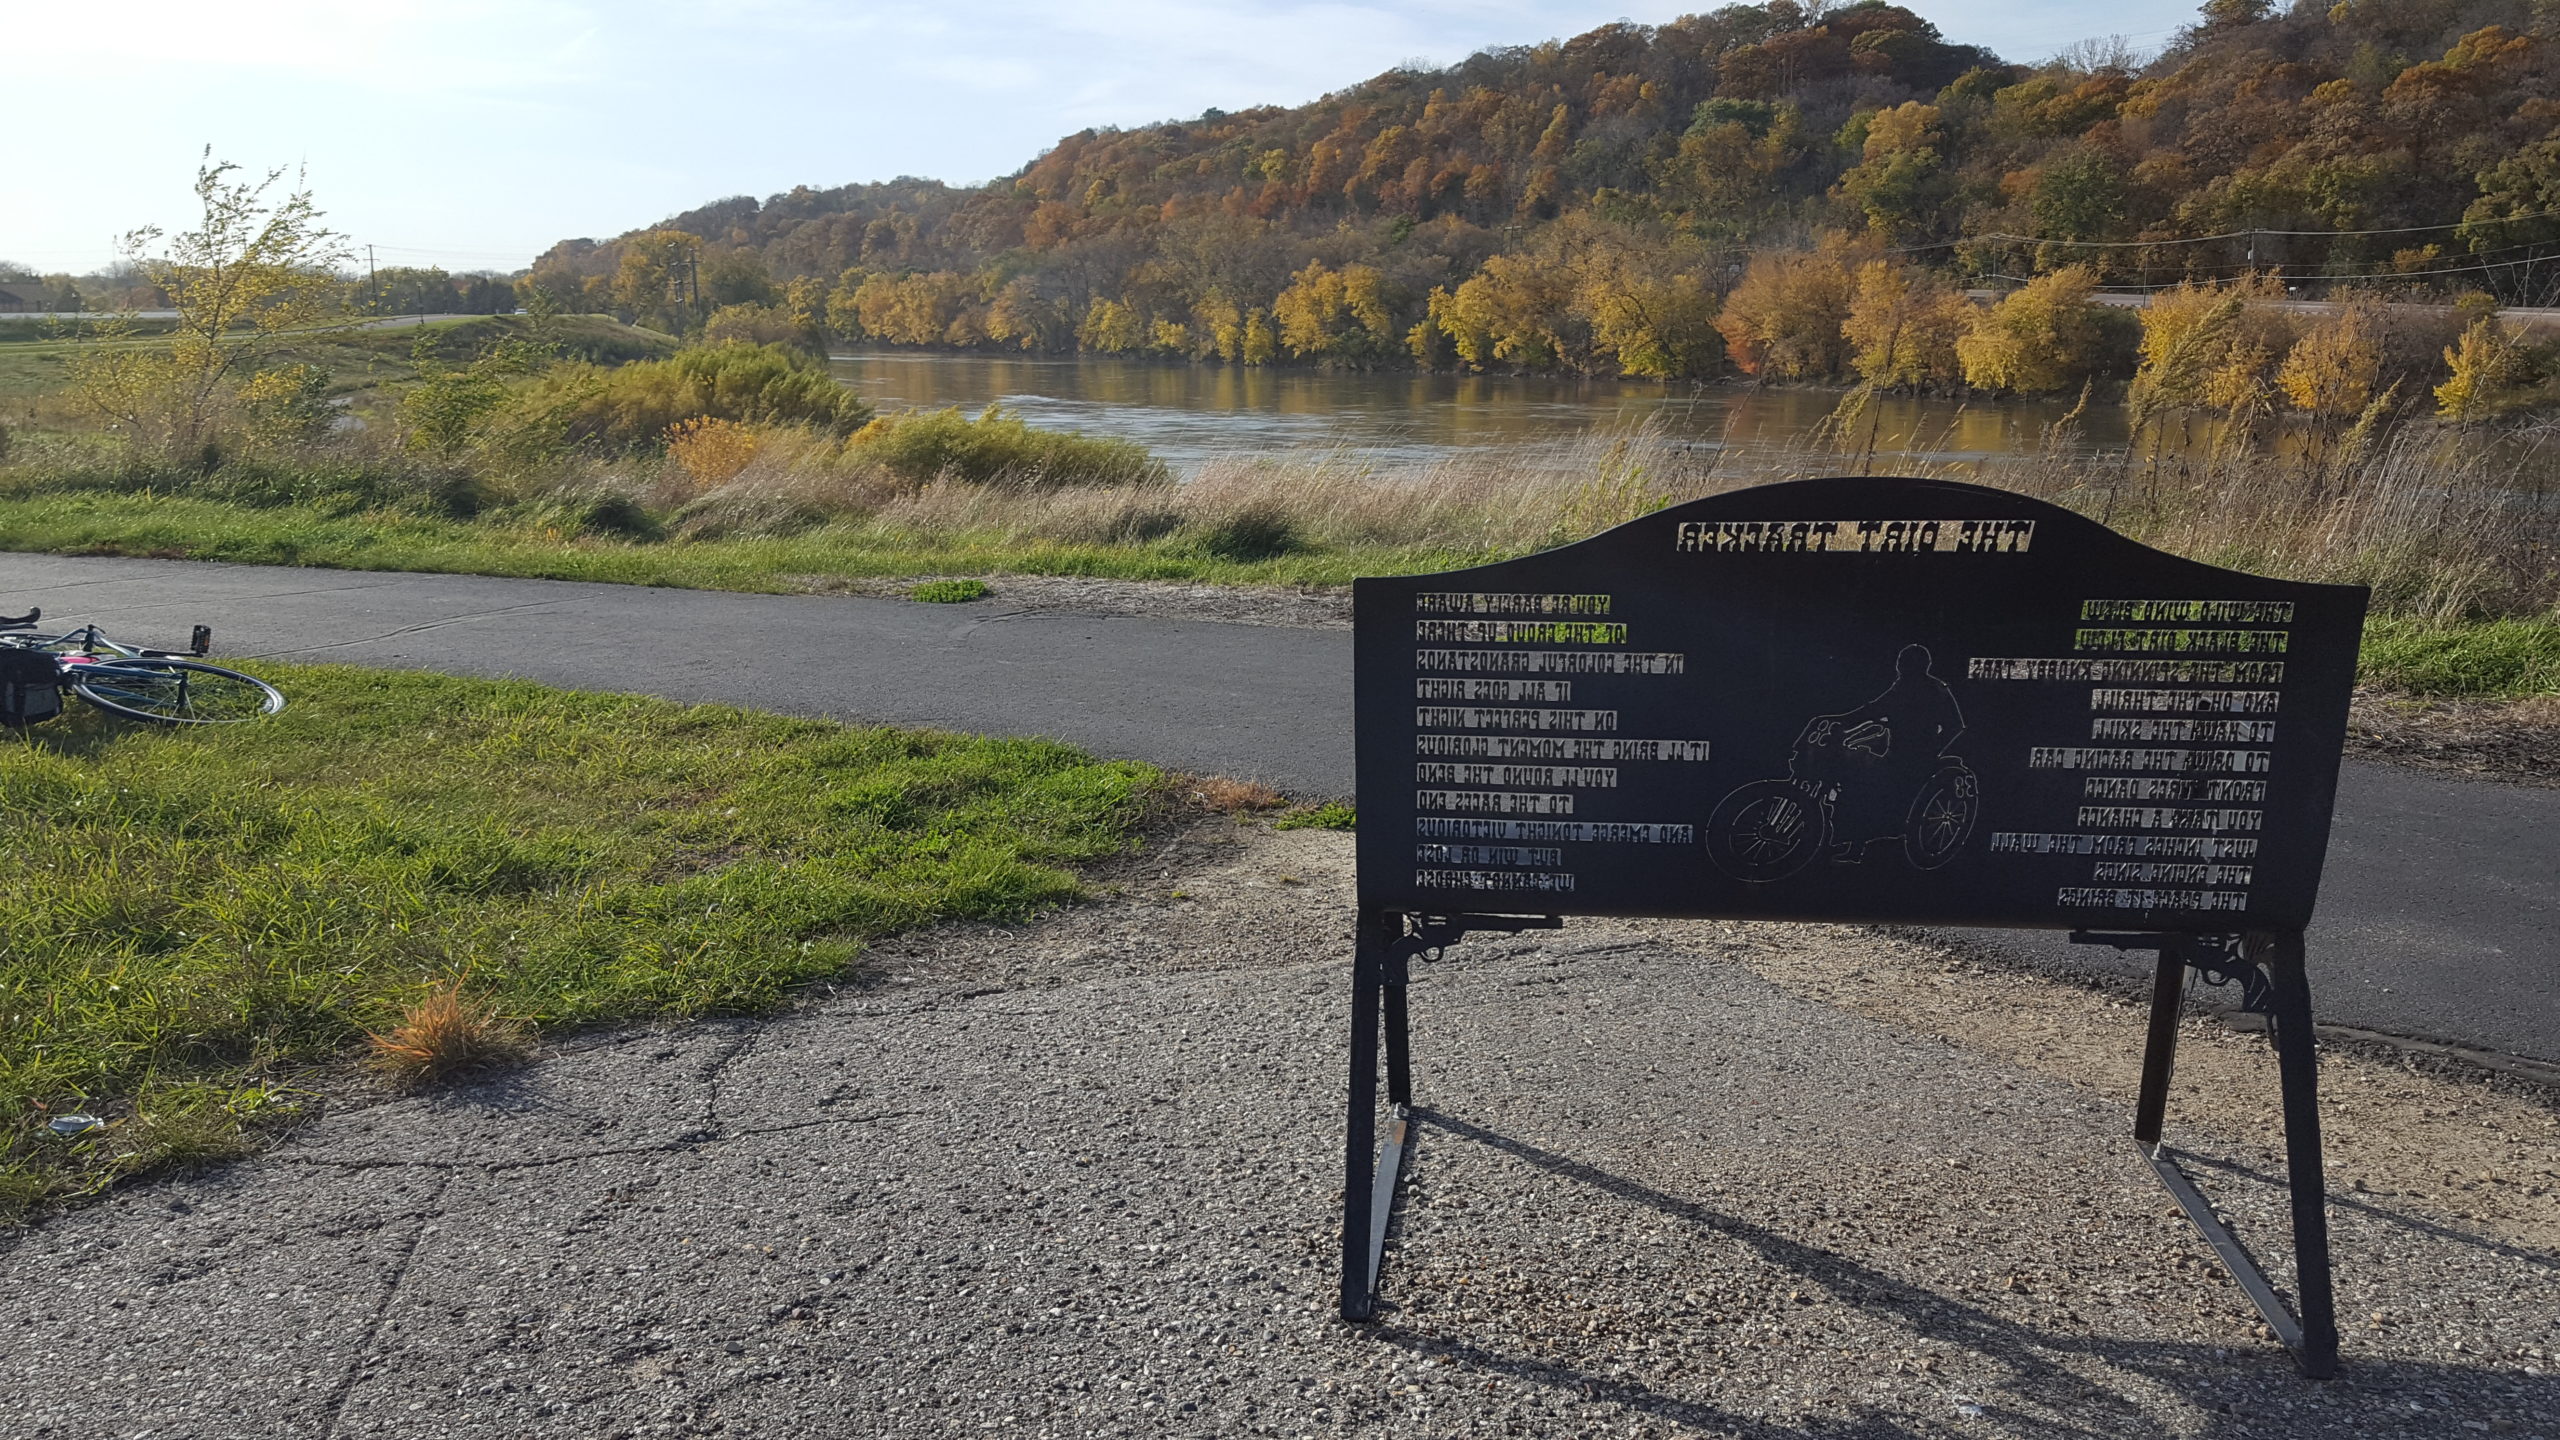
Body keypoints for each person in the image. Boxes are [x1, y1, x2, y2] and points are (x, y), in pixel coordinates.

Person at [1824, 644, 1964, 861]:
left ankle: (1856, 845)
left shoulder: (1934, 689)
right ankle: (1853, 843)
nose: (1899, 666)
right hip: (1895, 754)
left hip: (1913, 759)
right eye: (1900, 661)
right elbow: (1874, 709)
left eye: (1903, 662)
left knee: (1859, 782)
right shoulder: (1902, 687)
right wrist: (1840, 720)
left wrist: (1932, 749)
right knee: (1855, 766)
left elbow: (1955, 725)